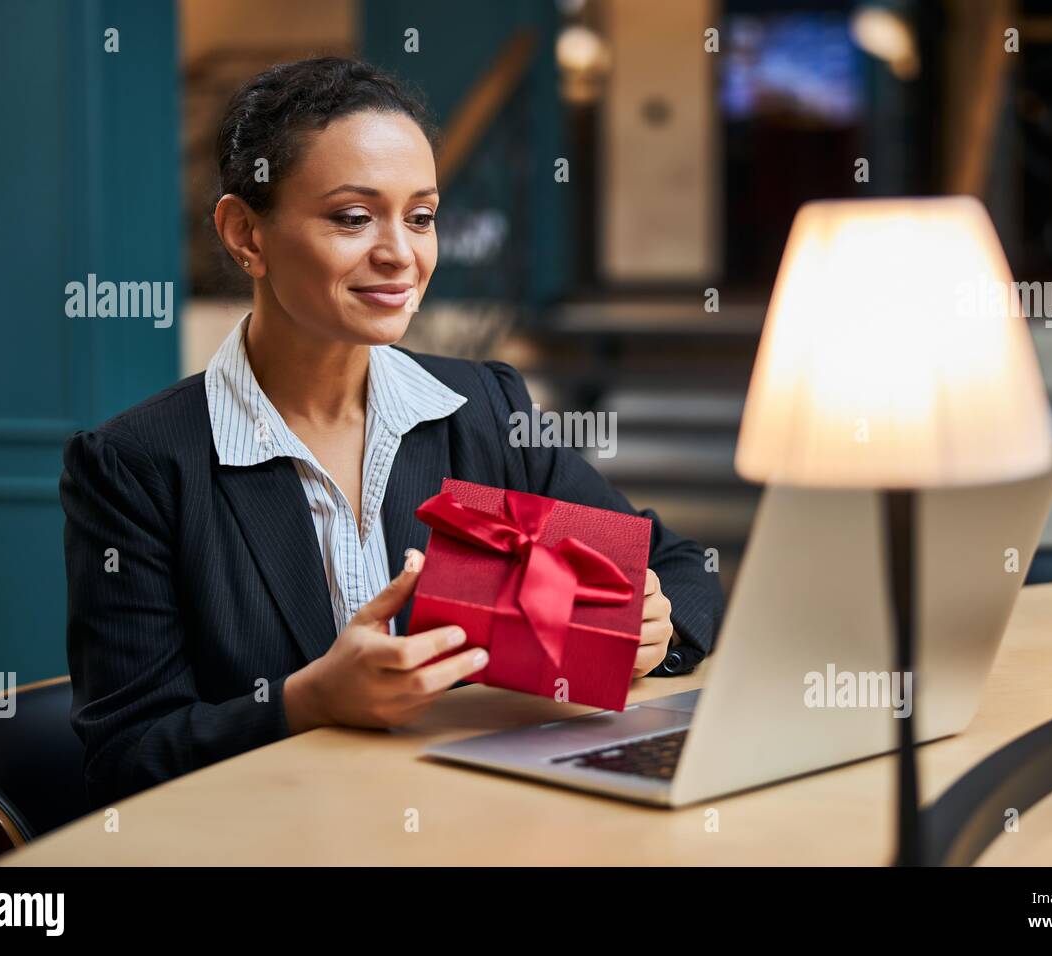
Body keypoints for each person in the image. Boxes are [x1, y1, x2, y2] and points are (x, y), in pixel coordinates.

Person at [60, 57, 724, 807]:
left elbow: (679, 566)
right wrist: (305, 701)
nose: (400, 255)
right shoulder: (138, 465)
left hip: (479, 827)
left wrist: (654, 627)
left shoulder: (482, 410)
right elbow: (125, 759)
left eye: (421, 216)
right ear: (246, 234)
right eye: (352, 217)